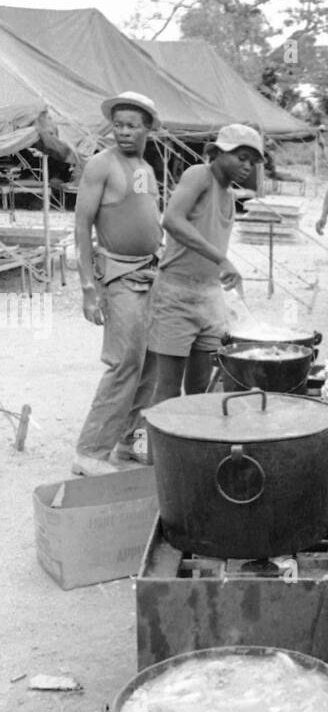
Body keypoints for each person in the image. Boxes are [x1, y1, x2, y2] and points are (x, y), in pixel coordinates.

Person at [71, 91, 164, 476]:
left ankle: (129, 439)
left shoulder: (146, 167)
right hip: (118, 276)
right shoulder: (100, 165)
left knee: (151, 361)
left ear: (147, 129)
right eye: (118, 125)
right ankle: (89, 452)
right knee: (124, 362)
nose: (123, 132)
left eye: (132, 125)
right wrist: (88, 287)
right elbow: (81, 225)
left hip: (150, 272)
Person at [147, 125, 264, 404]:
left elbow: (213, 244)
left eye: (252, 161)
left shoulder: (229, 197)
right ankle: (152, 447)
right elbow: (173, 220)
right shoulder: (199, 175)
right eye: (240, 157)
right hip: (176, 295)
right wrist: (222, 259)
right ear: (218, 153)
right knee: (168, 390)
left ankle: (192, 446)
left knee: (202, 388)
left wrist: (233, 293)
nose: (246, 166)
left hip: (210, 298)